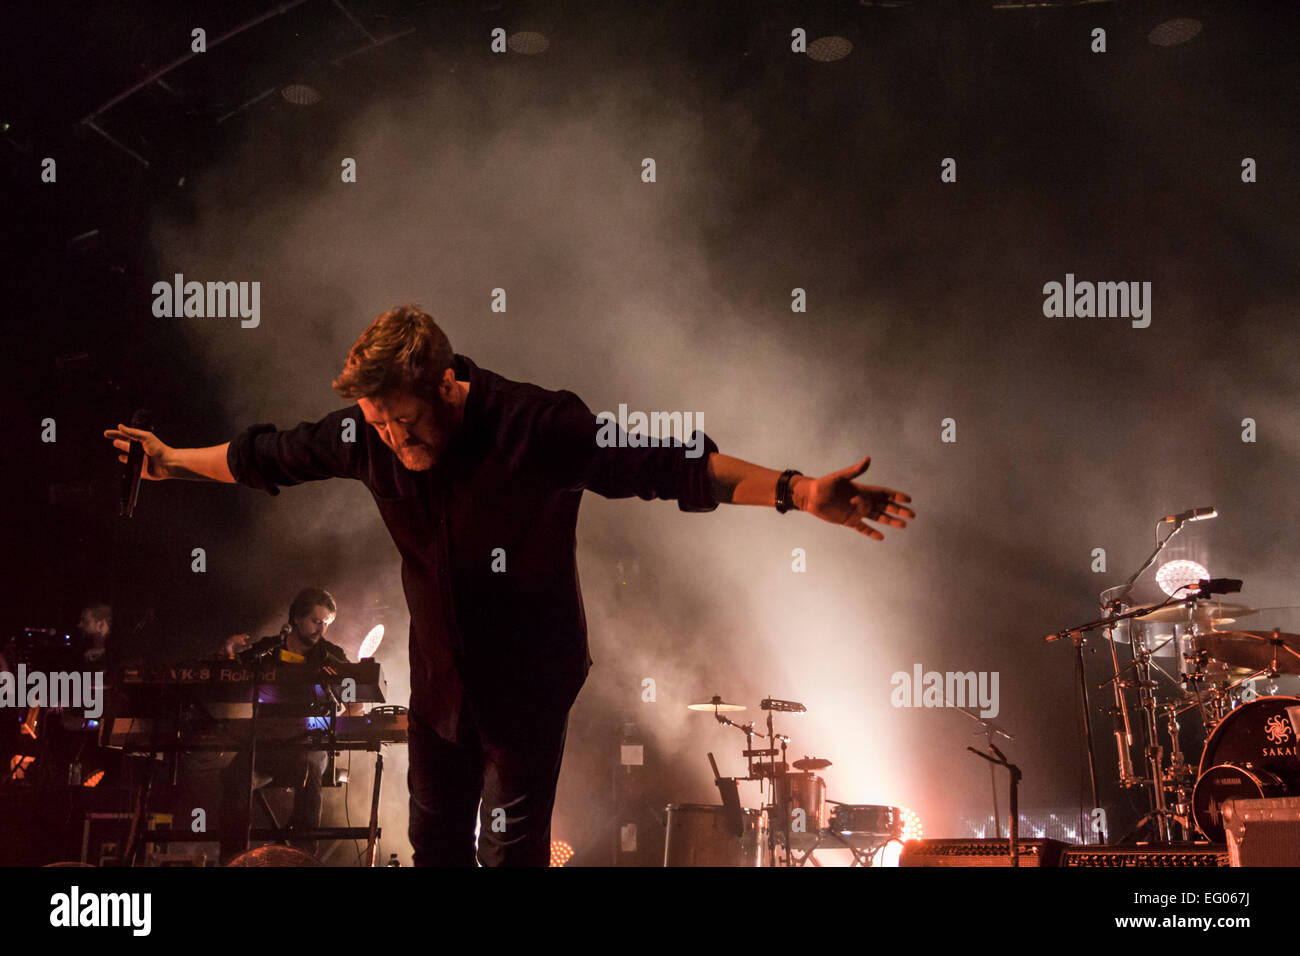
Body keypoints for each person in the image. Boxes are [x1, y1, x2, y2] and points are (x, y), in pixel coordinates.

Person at [105, 304, 915, 866]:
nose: (393, 437)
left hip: (528, 688)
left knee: (514, 853)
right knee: (436, 849)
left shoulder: (539, 426)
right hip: (439, 690)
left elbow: (672, 462)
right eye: (378, 422)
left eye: (406, 419)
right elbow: (266, 456)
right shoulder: (369, 435)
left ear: (448, 382)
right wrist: (173, 459)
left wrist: (797, 490)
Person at [215, 587, 356, 862]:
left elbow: (356, 699)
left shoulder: (331, 655)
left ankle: (301, 856)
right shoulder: (267, 650)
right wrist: (228, 653)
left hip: (309, 745)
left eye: (327, 623)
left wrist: (343, 724)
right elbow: (228, 680)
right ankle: (233, 858)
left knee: (308, 768)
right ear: (297, 618)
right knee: (234, 776)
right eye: (317, 621)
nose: (321, 630)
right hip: (266, 746)